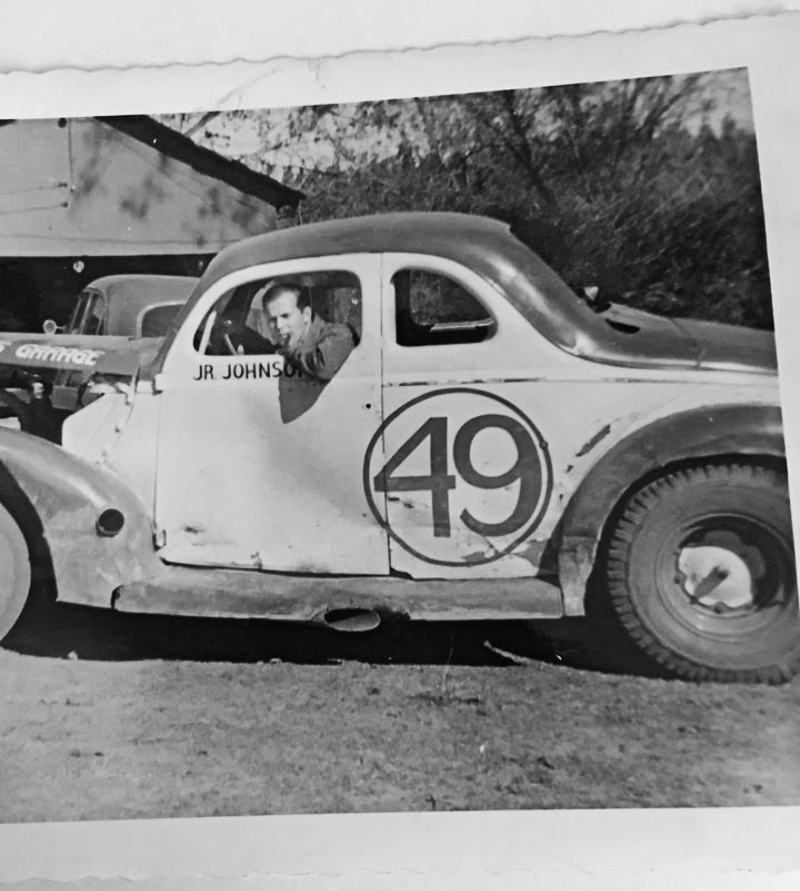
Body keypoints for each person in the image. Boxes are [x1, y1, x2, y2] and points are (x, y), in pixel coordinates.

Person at [262, 282, 355, 382]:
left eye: (285, 316)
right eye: (272, 319)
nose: (279, 325)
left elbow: (323, 367)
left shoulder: (339, 335)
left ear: (306, 314)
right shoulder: (290, 342)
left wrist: (291, 352)